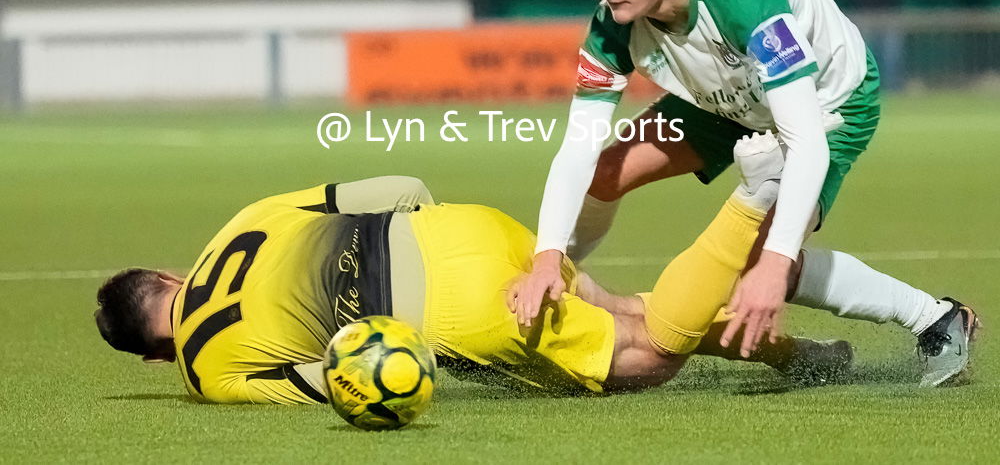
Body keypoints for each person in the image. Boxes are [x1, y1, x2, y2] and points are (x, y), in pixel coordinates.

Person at [509, 0, 977, 388]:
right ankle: (558, 289)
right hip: (725, 101)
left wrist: (775, 265)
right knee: (604, 171)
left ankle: (934, 317)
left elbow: (806, 142)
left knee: (762, 260)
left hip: (825, 103)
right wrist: (547, 259)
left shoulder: (746, 0)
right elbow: (578, 145)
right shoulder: (611, 26)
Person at [95, 167, 851, 404]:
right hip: (459, 229)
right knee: (627, 310)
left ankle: (752, 199)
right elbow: (401, 183)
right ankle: (799, 355)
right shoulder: (238, 222)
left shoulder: (209, 370)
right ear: (168, 273)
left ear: (154, 355)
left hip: (449, 311)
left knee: (654, 353)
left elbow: (334, 375)